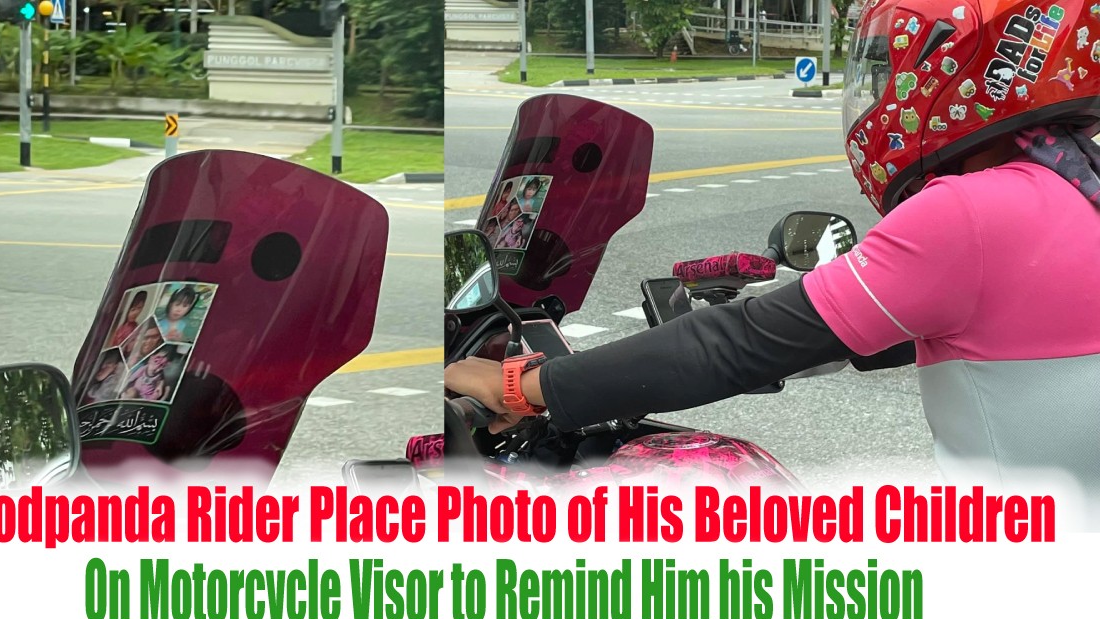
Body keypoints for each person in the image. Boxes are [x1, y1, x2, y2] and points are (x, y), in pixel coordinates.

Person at [445, 0, 1100, 514]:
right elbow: (866, 336)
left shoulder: (974, 213)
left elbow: (740, 345)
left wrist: (520, 386)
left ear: (952, 69)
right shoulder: (1078, 189)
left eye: (886, 71)